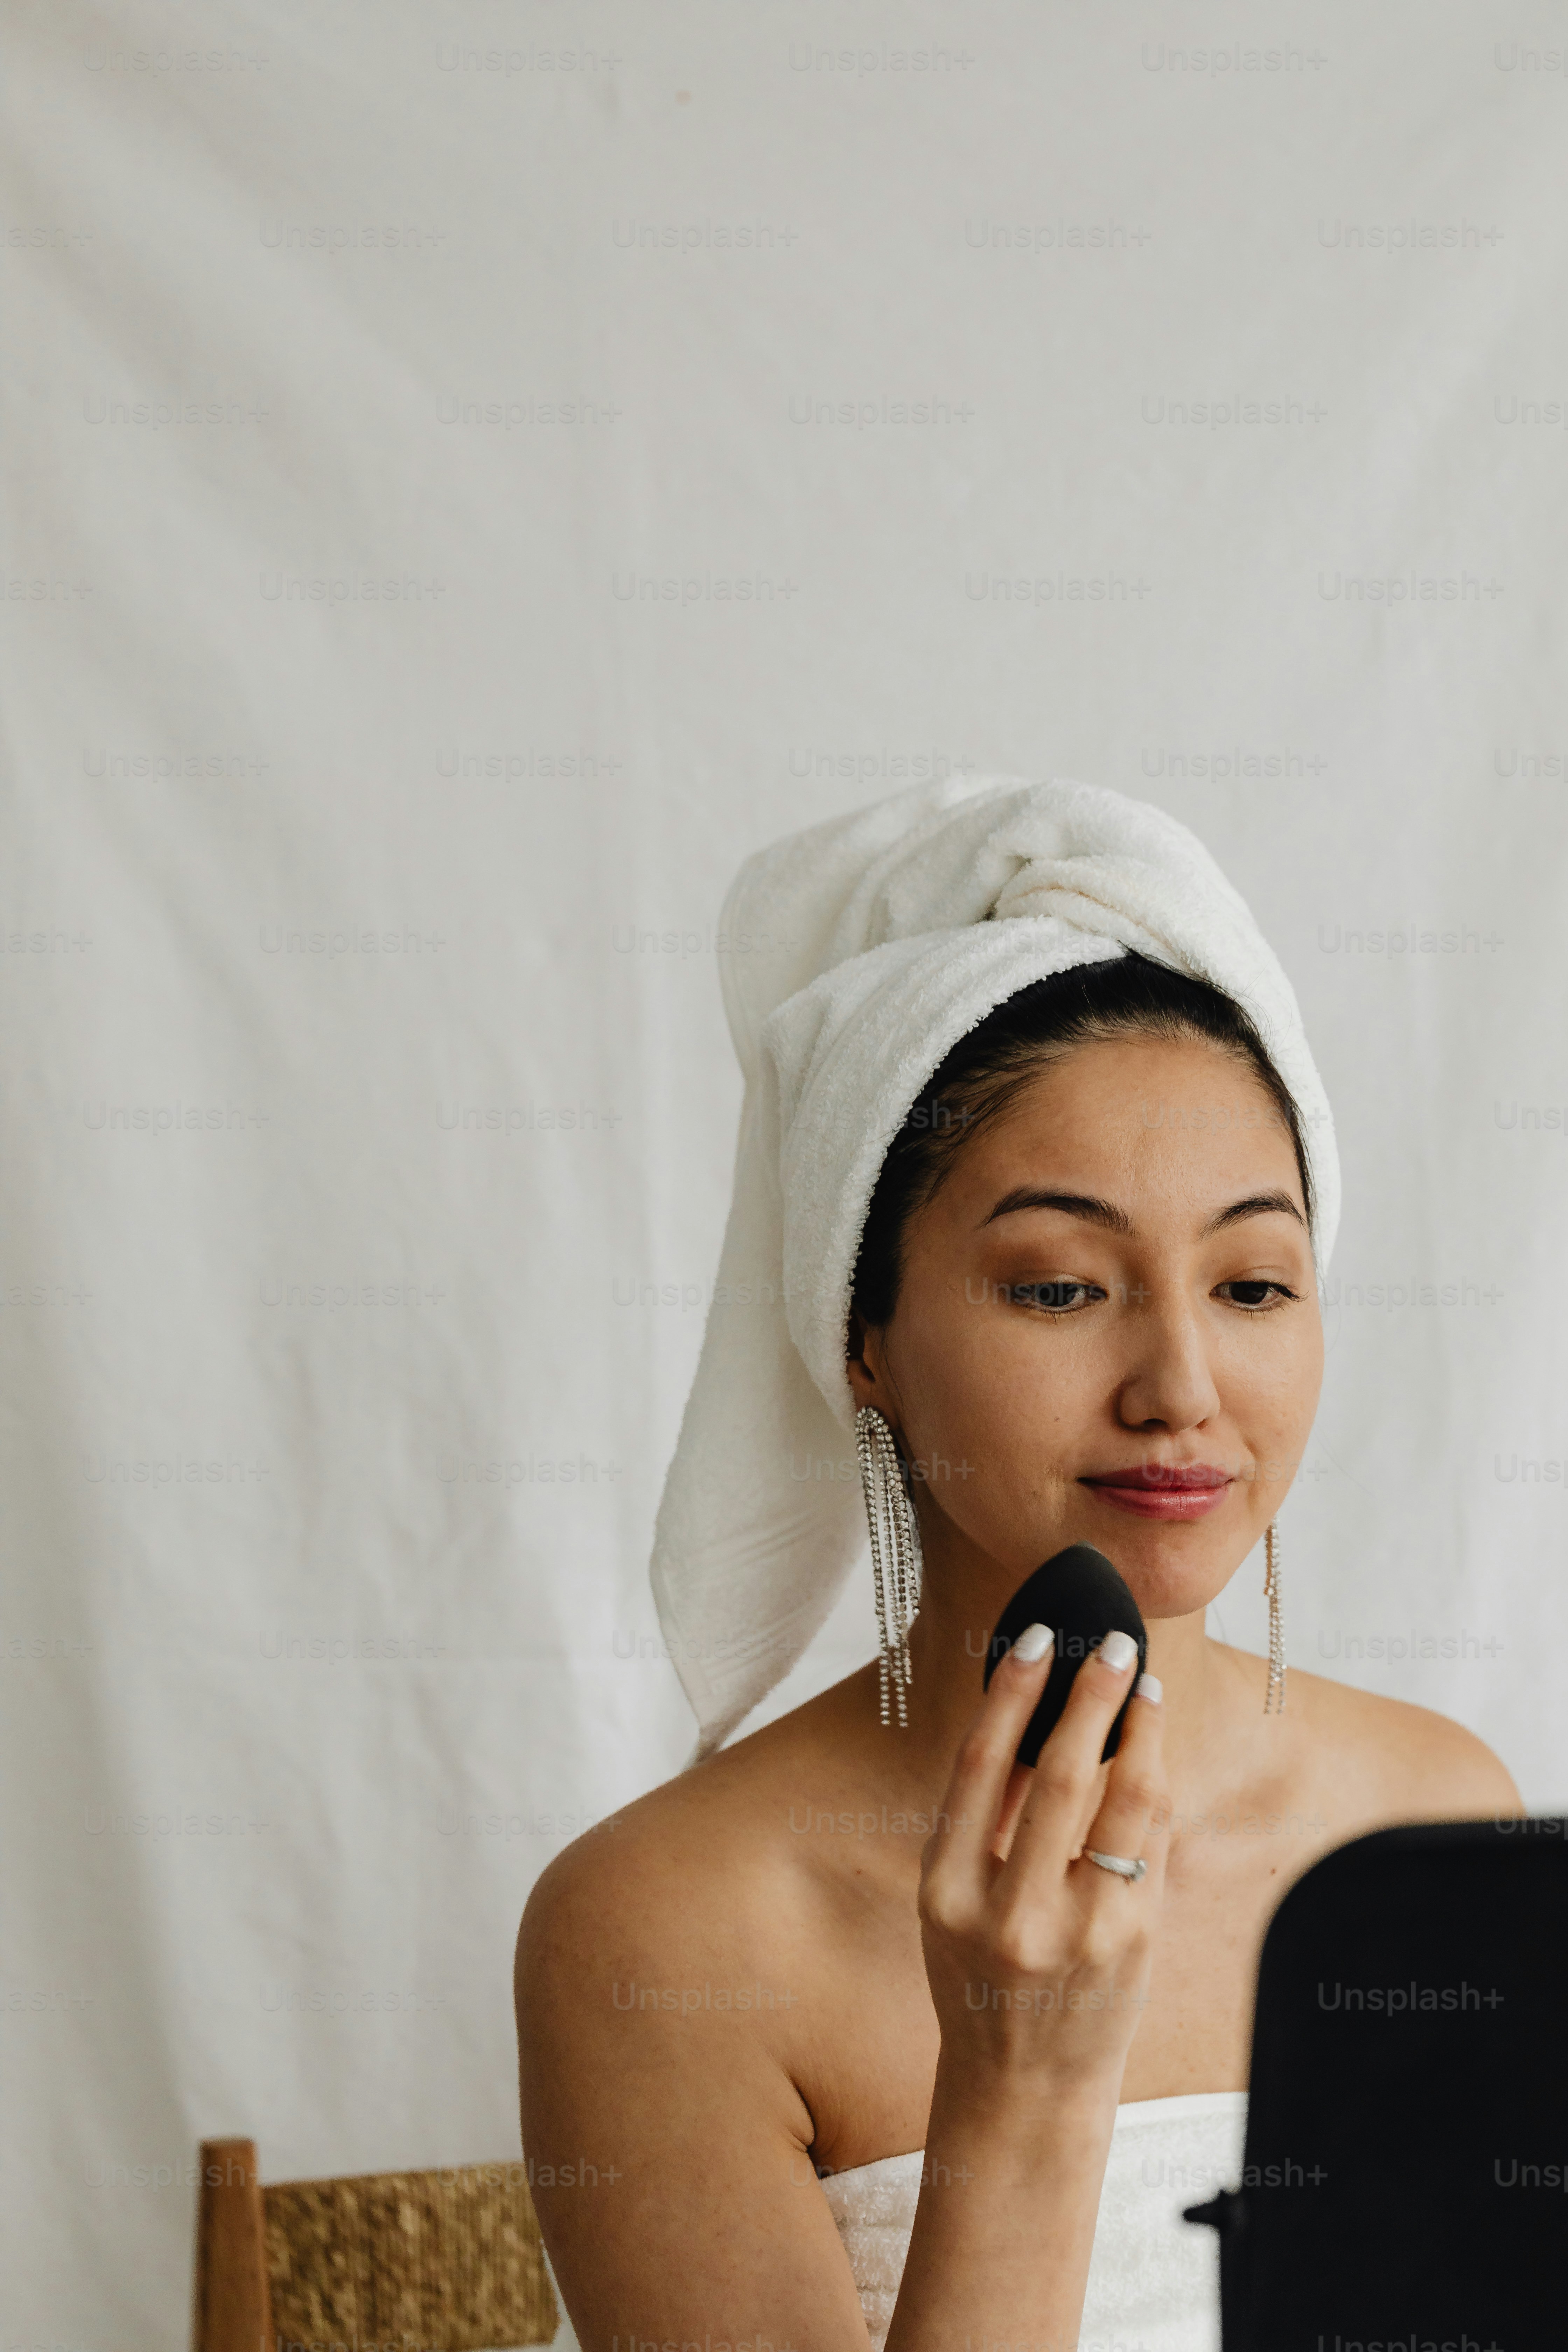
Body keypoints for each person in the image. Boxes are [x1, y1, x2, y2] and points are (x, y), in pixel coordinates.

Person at [517, 779, 1520, 2352]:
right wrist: (1024, 2089)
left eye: (1254, 1283)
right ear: (864, 1341)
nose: (1180, 1384)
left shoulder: (1436, 1824)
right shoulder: (663, 1934)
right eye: (1058, 1289)